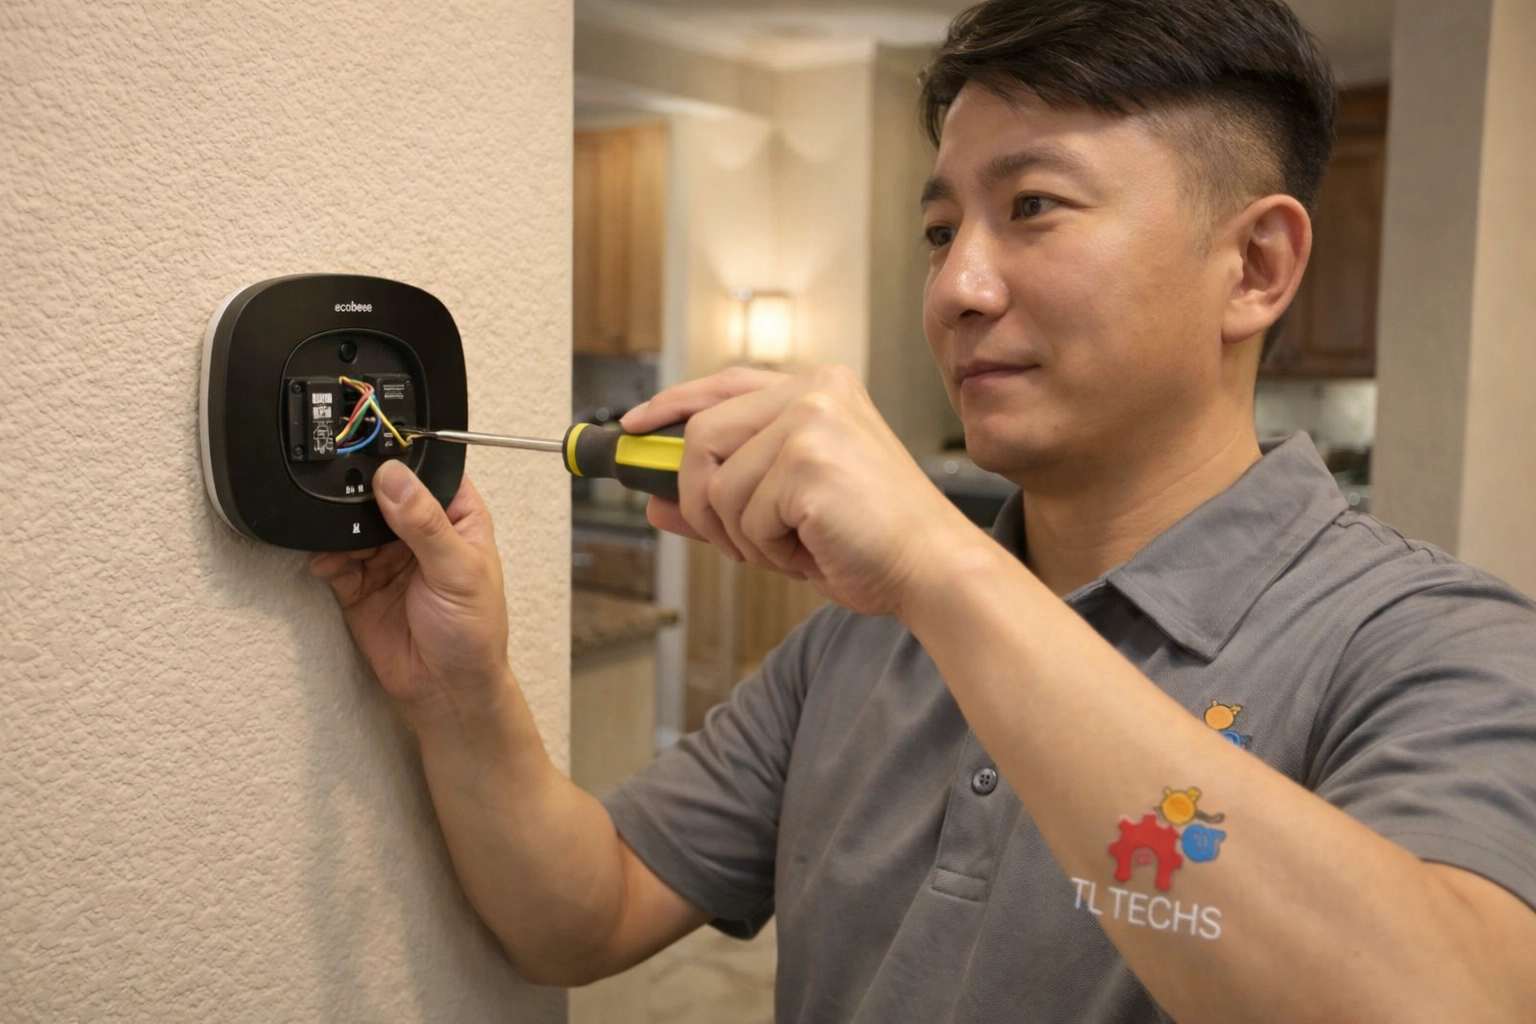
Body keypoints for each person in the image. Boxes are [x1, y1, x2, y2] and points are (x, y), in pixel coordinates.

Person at [309, 0, 1536, 1020]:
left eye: (1033, 206)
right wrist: (462, 696)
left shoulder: (1437, 646)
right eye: (940, 230)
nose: (956, 287)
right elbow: (586, 913)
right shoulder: (858, 637)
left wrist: (944, 571)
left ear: (1255, 267)